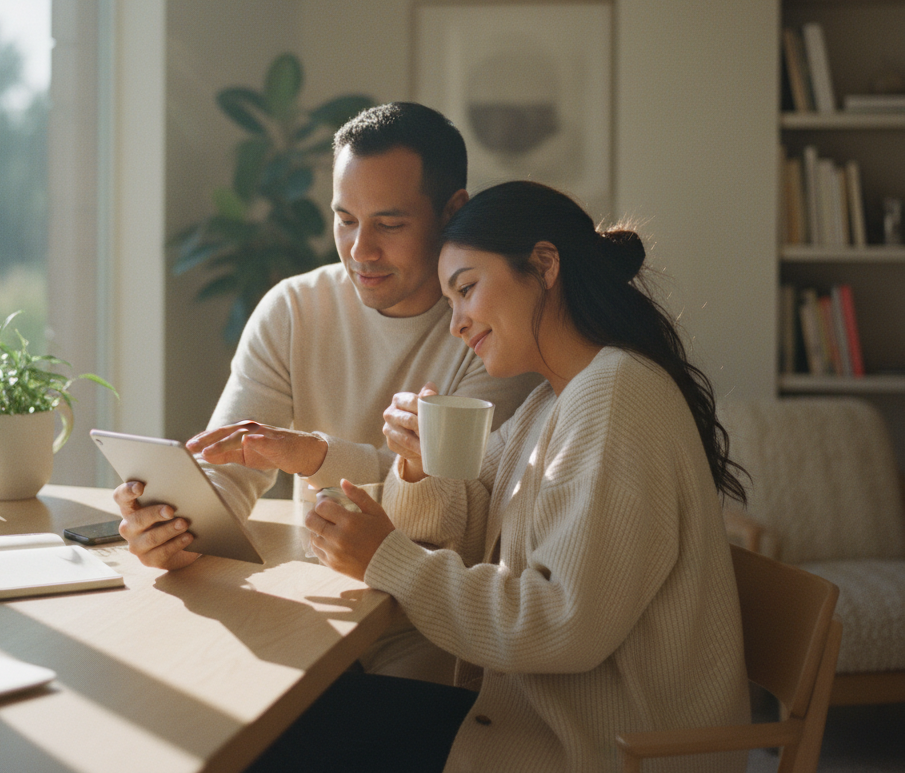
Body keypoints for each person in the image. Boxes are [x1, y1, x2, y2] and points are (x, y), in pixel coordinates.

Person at [257, 180, 750, 773]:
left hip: (594, 753)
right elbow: (464, 526)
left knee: (281, 731)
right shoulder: (552, 401)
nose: (456, 324)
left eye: (466, 289)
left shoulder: (616, 394)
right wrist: (418, 465)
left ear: (543, 266)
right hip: (530, 726)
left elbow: (558, 624)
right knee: (293, 713)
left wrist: (385, 558)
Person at [113, 104, 541, 680]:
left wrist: (314, 456)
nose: (361, 250)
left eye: (389, 224)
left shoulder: (492, 328)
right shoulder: (292, 309)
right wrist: (170, 527)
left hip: (431, 649)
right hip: (311, 629)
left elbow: (467, 520)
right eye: (345, 219)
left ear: (451, 213)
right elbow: (228, 469)